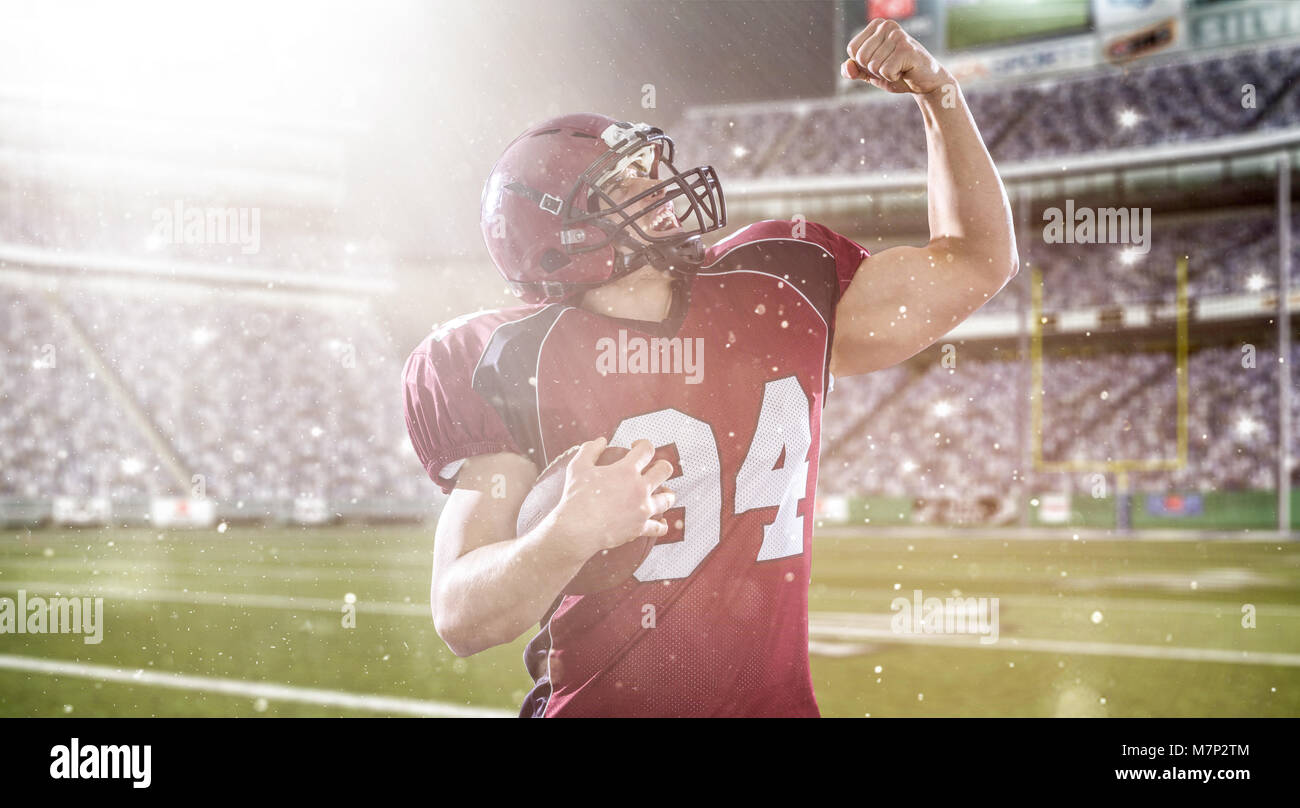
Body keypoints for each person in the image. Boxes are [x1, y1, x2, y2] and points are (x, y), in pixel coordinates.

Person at [402, 19, 1018, 717]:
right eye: (628, 184)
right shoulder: (506, 359)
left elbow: (977, 262)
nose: (663, 188)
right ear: (563, 233)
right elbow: (461, 615)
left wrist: (940, 95)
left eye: (650, 168)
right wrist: (565, 535)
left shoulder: (777, 285)